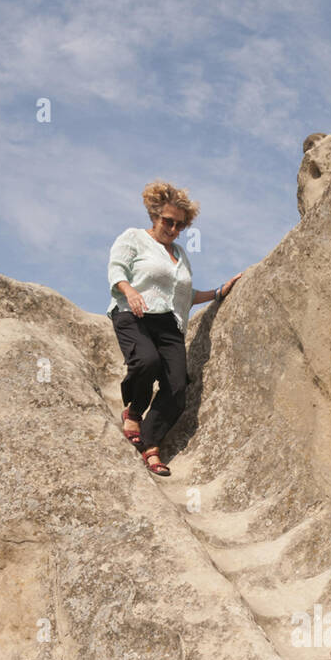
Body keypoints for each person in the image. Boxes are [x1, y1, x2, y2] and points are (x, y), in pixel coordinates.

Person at [107, 180, 241, 476]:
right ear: (154, 215)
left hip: (170, 323)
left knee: (178, 387)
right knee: (147, 361)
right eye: (168, 222)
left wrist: (218, 292)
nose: (173, 229)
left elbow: (184, 295)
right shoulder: (133, 238)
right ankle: (134, 412)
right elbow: (117, 269)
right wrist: (129, 292)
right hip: (134, 314)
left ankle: (149, 442)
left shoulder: (180, 254)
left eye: (180, 226)